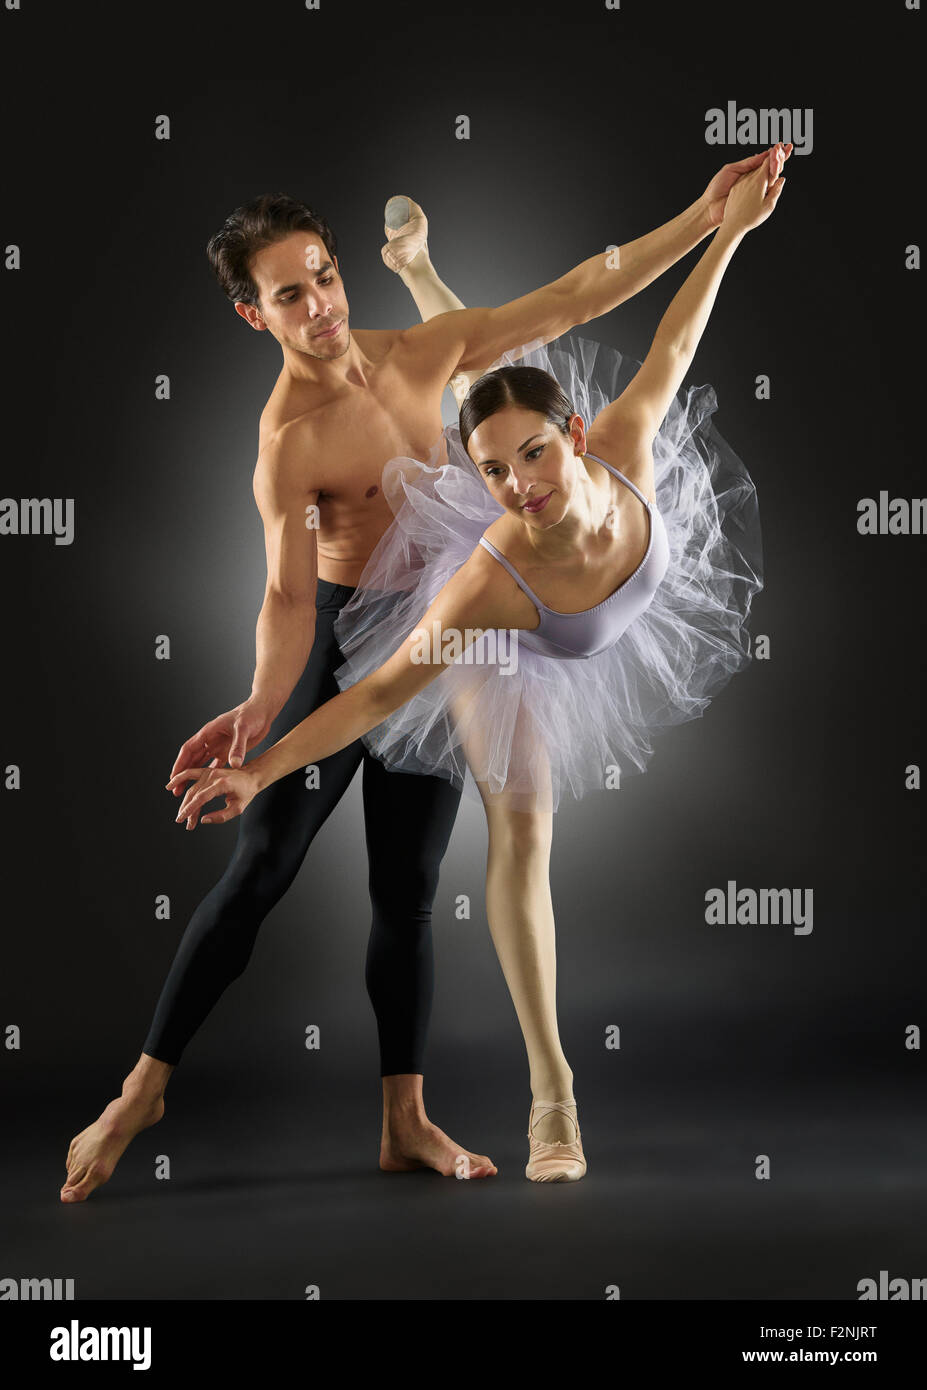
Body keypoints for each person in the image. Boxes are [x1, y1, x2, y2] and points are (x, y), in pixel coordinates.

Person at [163, 148, 788, 1182]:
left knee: (485, 372)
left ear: (578, 439)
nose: (318, 305)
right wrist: (259, 747)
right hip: (479, 620)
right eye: (289, 295)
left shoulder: (615, 443)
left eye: (325, 274)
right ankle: (555, 1102)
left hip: (562, 560)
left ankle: (416, 263)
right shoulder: (469, 562)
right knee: (515, 831)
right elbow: (358, 676)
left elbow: (642, 326)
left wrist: (722, 224)